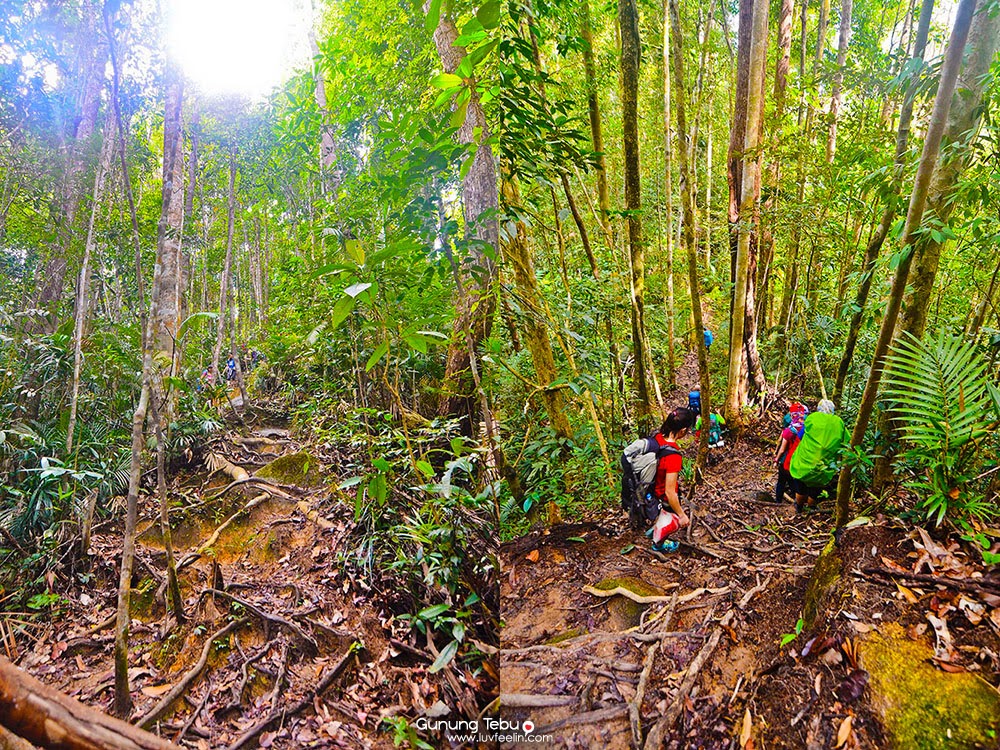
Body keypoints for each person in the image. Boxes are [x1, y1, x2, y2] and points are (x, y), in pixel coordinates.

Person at [645, 407, 694, 557]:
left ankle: (653, 530)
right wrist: (682, 515)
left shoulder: (657, 437)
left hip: (650, 489)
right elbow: (669, 491)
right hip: (662, 495)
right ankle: (658, 544)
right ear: (683, 430)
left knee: (664, 513)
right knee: (673, 522)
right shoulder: (673, 456)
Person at [789, 399, 849, 512]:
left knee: (801, 488)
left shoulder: (813, 418)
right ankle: (811, 509)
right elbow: (846, 441)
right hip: (824, 465)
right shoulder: (839, 422)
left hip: (805, 462)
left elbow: (801, 435)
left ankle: (799, 508)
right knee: (815, 489)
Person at [774, 402, 807, 503]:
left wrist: (776, 459)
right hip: (800, 459)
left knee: (781, 481)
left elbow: (783, 449)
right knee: (794, 481)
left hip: (787, 459)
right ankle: (797, 502)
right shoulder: (806, 428)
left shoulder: (789, 430)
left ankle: (778, 502)